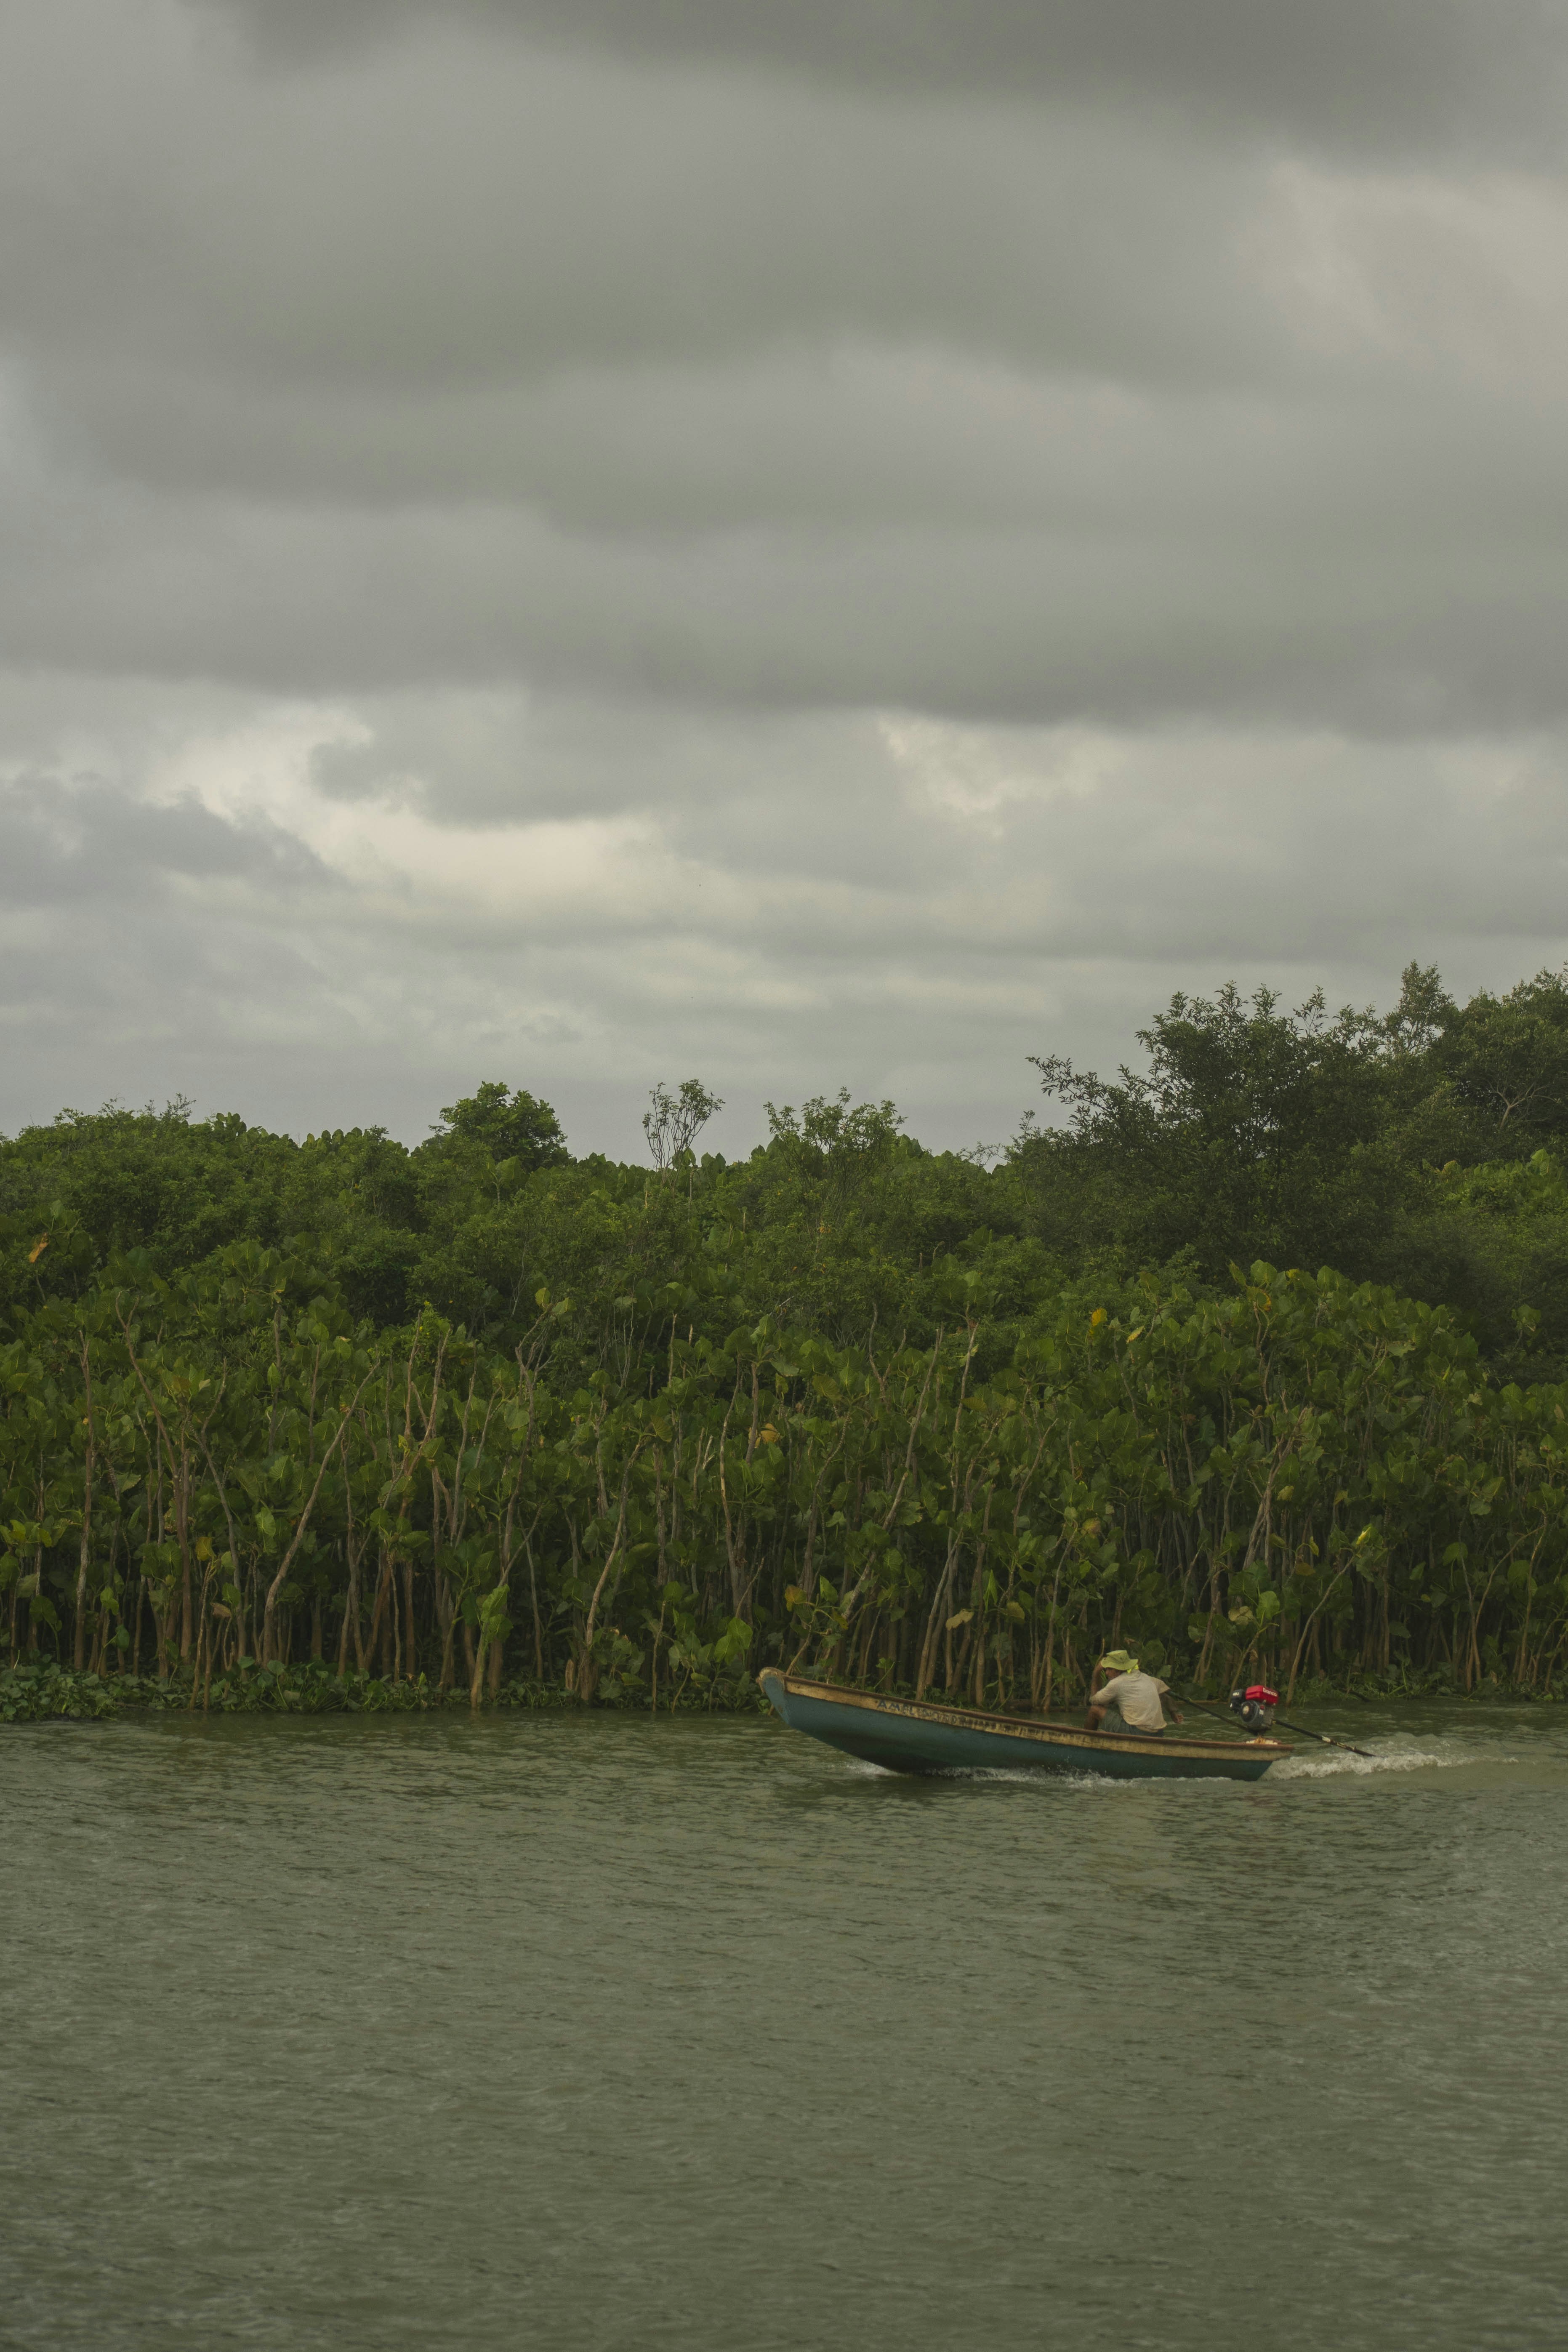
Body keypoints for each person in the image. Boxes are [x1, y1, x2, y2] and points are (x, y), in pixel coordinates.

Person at [1085, 1649, 1183, 1736]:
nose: (1107, 1673)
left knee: (1094, 1710)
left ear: (1119, 1670)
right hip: (1159, 1733)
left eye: (1110, 1669)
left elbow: (1094, 1701)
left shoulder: (1116, 1683)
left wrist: (1096, 1673)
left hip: (1138, 1733)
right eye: (1106, 1670)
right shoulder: (1146, 1678)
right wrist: (1174, 1712)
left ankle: (1086, 1741)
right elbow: (1164, 1694)